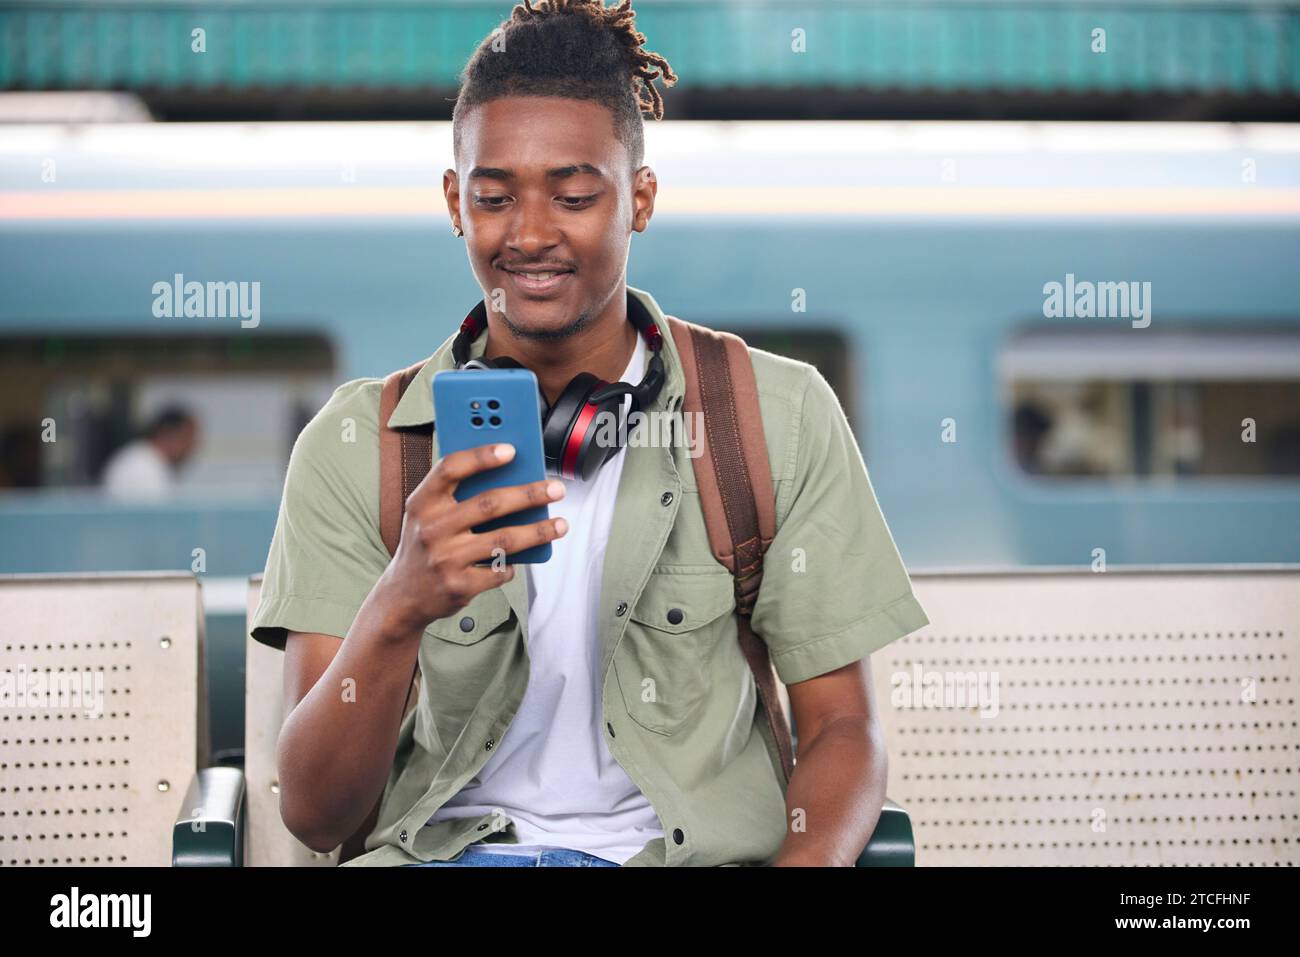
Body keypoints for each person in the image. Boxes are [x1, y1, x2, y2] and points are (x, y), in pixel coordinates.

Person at [251, 0, 930, 868]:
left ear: (640, 199)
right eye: (494, 198)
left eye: (574, 196)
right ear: (455, 203)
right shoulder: (361, 444)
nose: (530, 234)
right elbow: (315, 813)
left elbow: (843, 727)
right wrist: (398, 605)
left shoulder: (772, 415)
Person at [100, 405, 199, 500]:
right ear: (168, 434)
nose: (191, 447)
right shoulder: (141, 465)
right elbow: (156, 514)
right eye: (187, 439)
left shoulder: (149, 460)